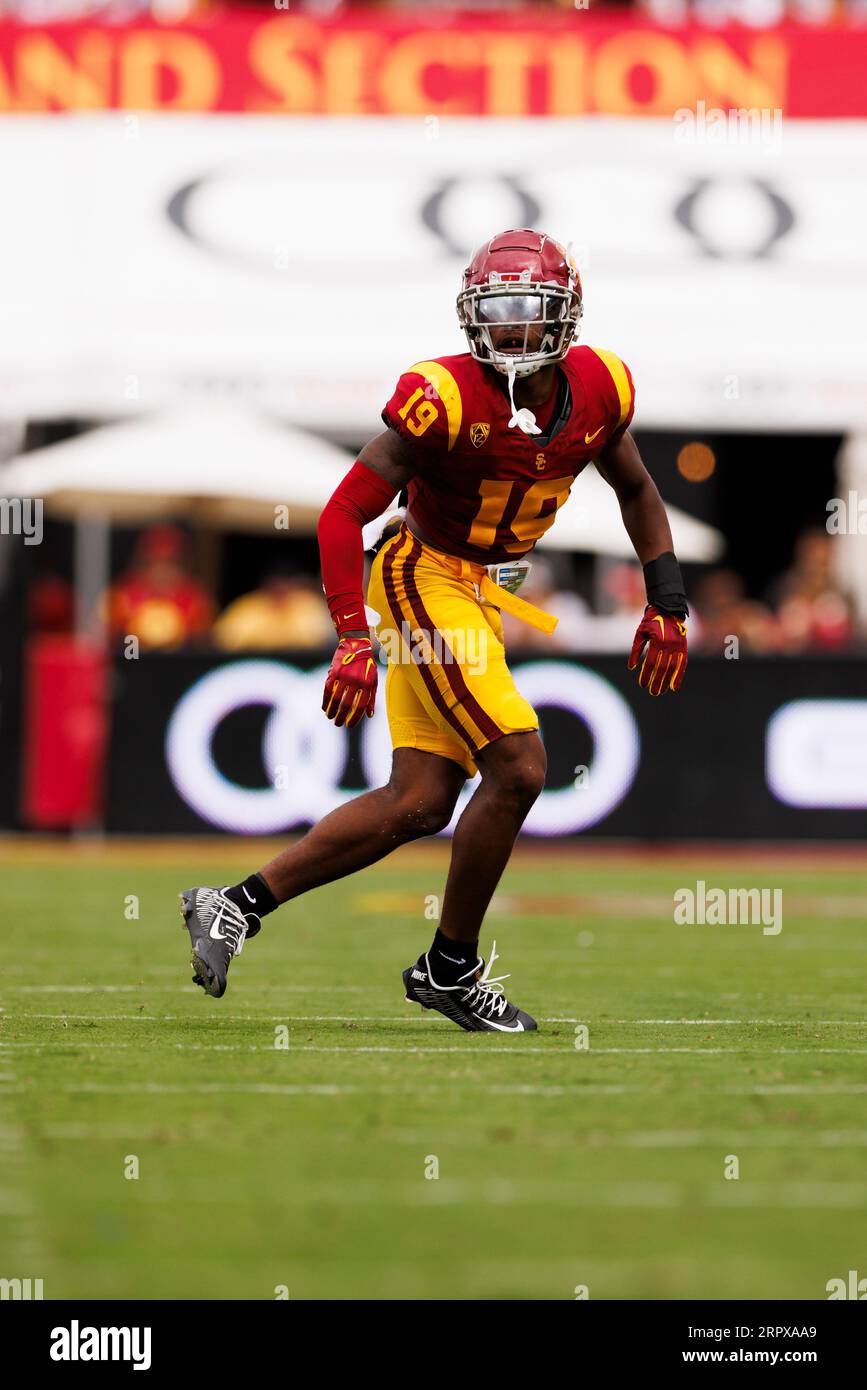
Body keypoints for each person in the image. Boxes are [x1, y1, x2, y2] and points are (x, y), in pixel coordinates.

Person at [178, 228, 689, 1032]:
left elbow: (636, 488)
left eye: (530, 311)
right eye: (499, 312)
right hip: (421, 574)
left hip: (481, 589)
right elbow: (344, 510)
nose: (514, 331)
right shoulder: (442, 396)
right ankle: (449, 966)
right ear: (470, 315)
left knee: (419, 802)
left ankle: (231, 906)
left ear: (567, 315)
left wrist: (666, 600)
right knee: (519, 766)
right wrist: (350, 637)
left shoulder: (600, 389)